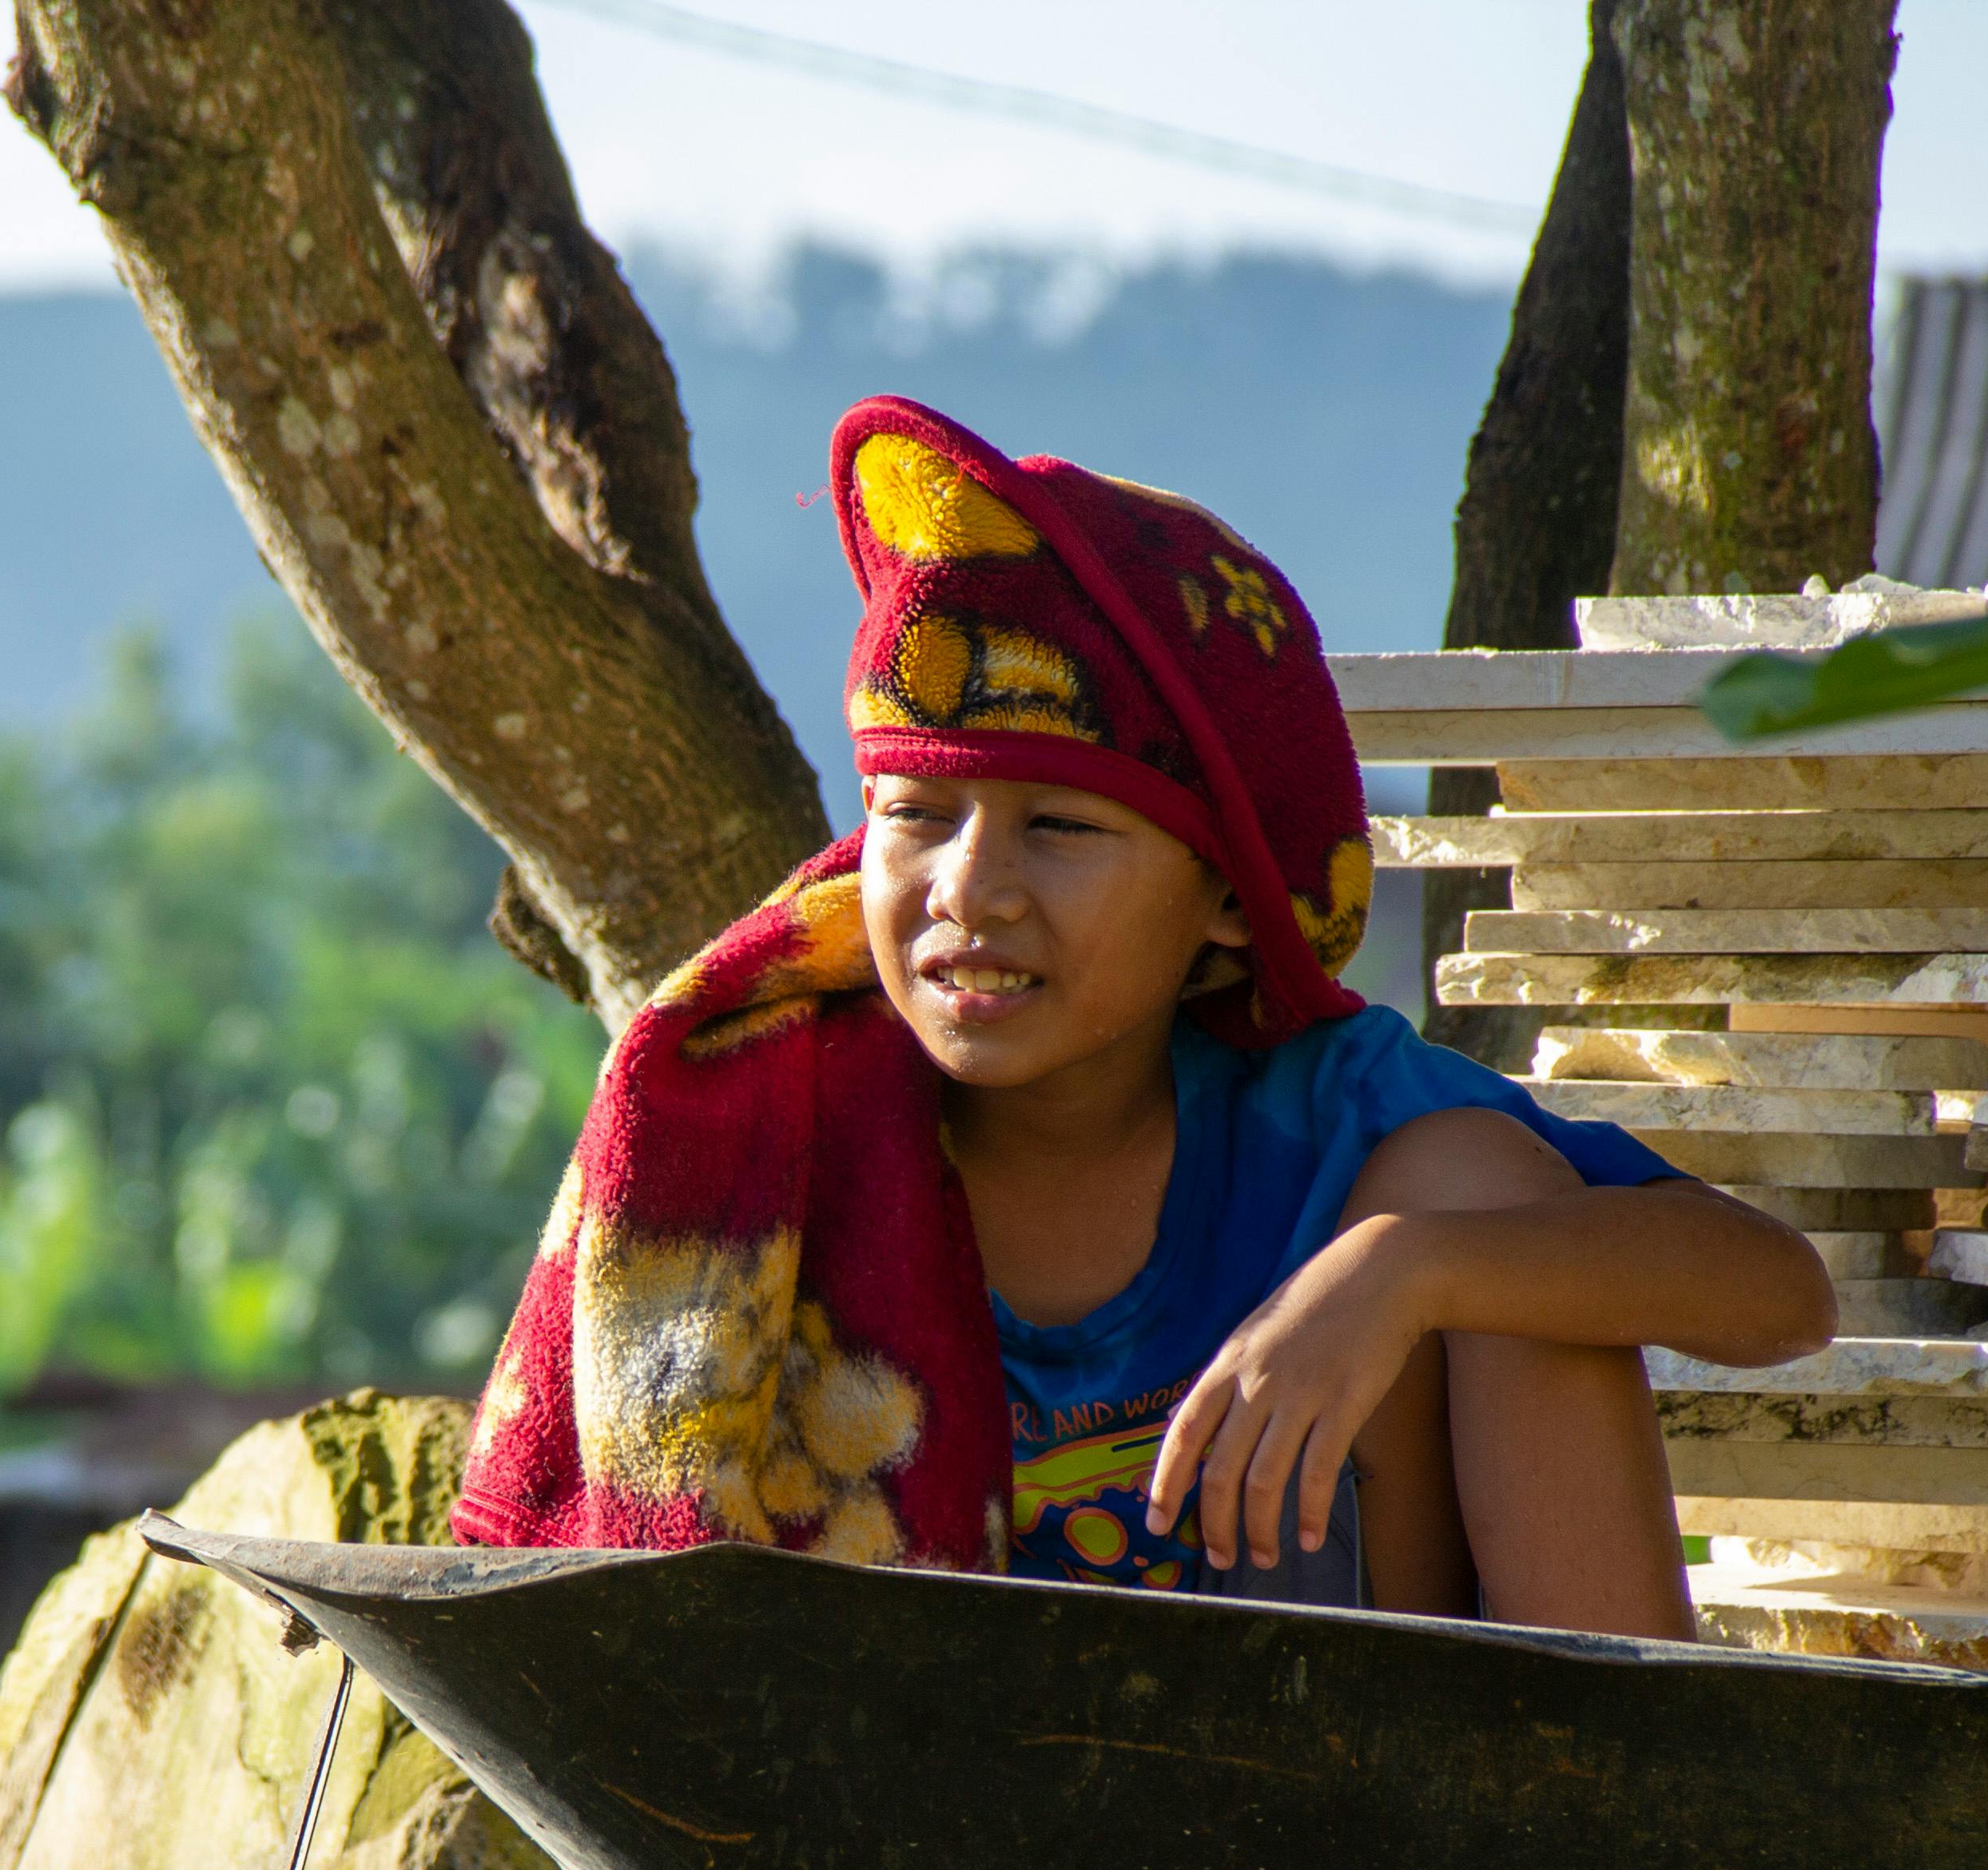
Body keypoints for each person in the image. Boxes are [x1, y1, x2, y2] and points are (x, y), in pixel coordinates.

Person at [451, 397, 1833, 1637]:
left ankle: (1603, 1858)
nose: (970, 893)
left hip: (1354, 1826)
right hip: (933, 1837)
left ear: (1230, 900)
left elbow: (1780, 1293)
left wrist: (1402, 1274)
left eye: (1057, 827)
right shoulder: (777, 1132)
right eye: (916, 815)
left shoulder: (1327, 1117)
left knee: (1476, 1194)